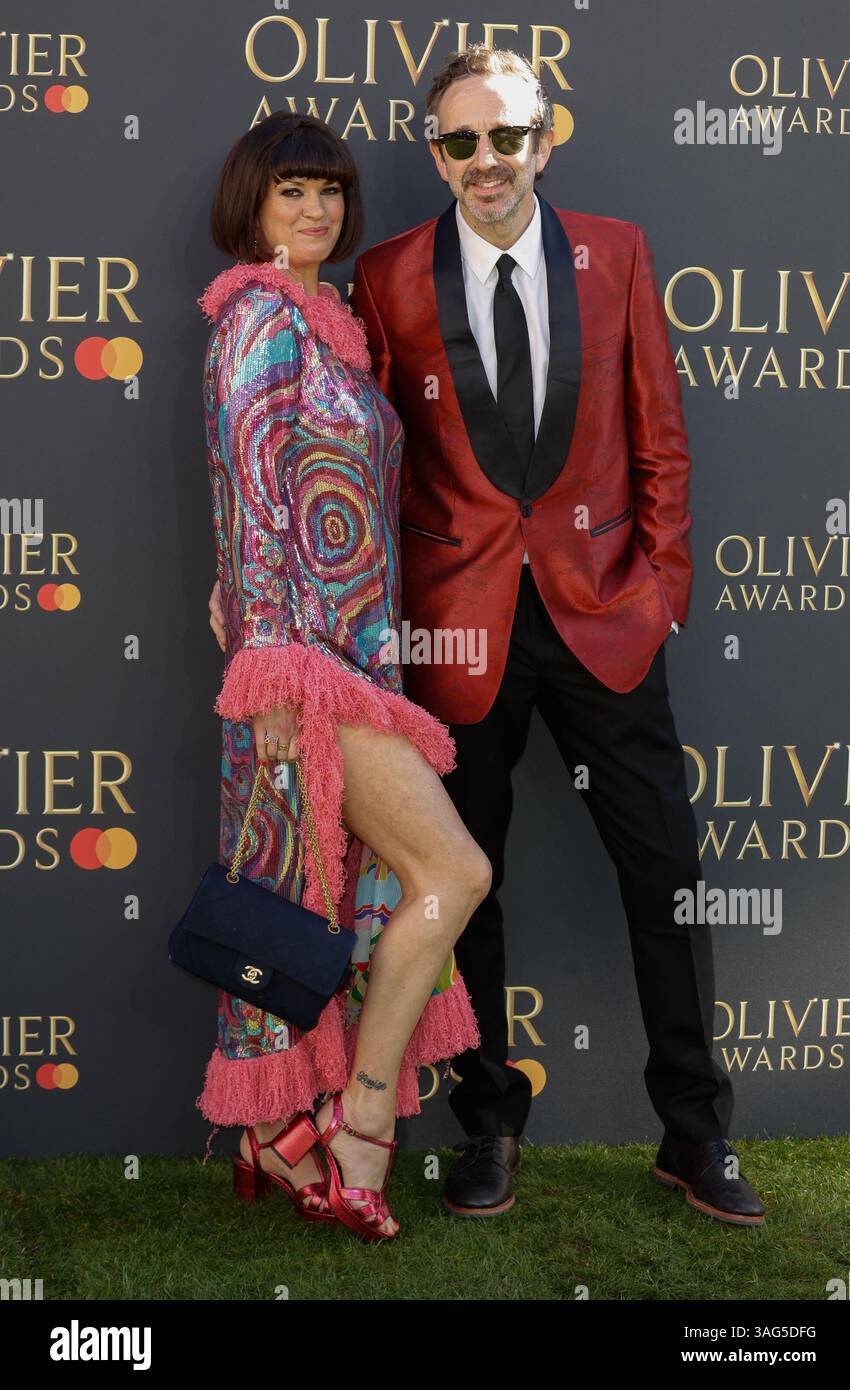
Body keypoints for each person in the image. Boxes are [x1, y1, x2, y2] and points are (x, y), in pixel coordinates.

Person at [209, 49, 765, 1228]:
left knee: (666, 874)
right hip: (453, 632)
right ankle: (488, 1124)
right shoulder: (384, 273)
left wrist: (658, 585)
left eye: (504, 136)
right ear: (434, 151)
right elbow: (327, 453)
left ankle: (694, 1130)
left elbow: (658, 437)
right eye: (459, 142)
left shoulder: (610, 253)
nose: (484, 161)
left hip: (605, 618)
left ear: (541, 139)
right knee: (470, 882)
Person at [195, 110, 490, 1244]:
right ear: (252, 207)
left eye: (328, 192)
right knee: (448, 870)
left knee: (364, 892)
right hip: (307, 670)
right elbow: (256, 494)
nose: (315, 212)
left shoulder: (327, 324)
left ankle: (300, 1133)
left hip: (355, 657)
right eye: (291, 195)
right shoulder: (258, 320)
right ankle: (357, 1125)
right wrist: (269, 661)